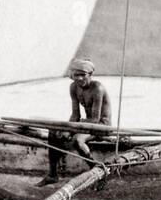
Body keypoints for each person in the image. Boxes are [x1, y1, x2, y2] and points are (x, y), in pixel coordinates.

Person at [39, 57, 110, 186]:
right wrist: (66, 130)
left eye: (83, 75)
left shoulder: (97, 88)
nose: (79, 79)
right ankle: (52, 174)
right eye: (76, 75)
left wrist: (73, 130)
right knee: (54, 131)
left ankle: (97, 170)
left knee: (78, 140)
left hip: (100, 125)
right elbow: (75, 115)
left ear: (90, 75)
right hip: (85, 123)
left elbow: (95, 119)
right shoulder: (73, 87)